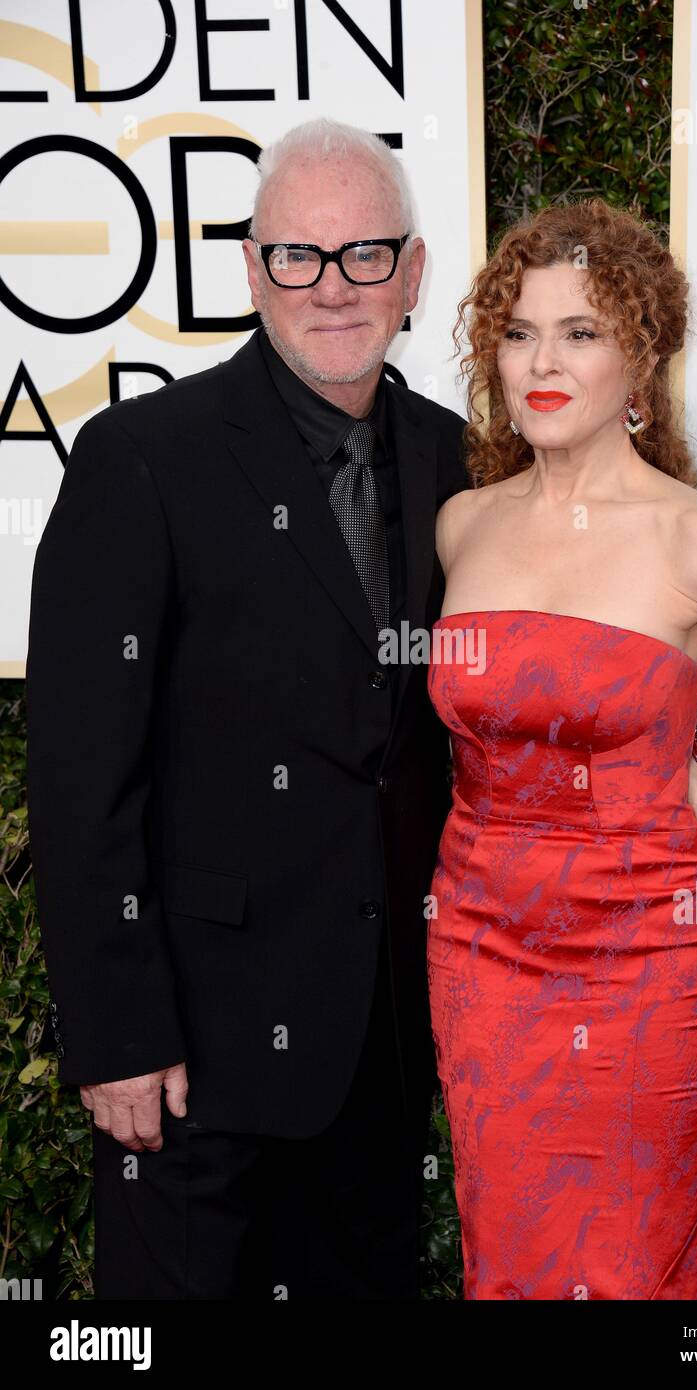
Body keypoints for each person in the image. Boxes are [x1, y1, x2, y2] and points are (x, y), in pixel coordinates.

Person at [25, 118, 469, 1299]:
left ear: (413, 273)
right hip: (195, 1056)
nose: (333, 287)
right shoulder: (143, 458)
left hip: (384, 1045)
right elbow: (80, 777)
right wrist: (118, 1032)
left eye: (365, 254)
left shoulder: (457, 462)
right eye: (297, 257)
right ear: (252, 271)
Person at [426, 196, 697, 1300]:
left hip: (645, 952)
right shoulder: (463, 523)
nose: (542, 361)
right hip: (479, 940)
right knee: (509, 1248)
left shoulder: (689, 537)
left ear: (643, 355)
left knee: (628, 1257)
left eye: (581, 332)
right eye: (518, 332)